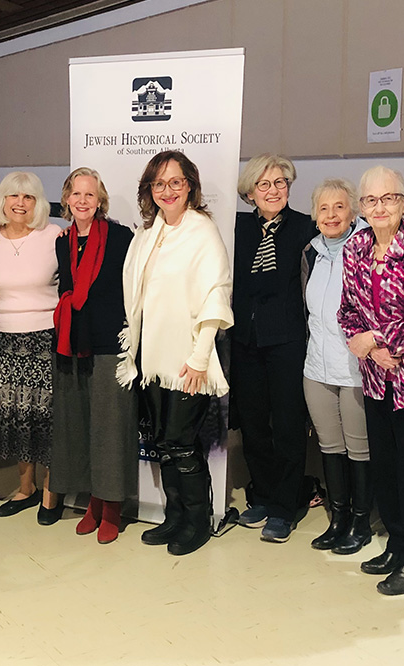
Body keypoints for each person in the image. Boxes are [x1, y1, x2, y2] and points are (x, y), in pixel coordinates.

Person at [337, 165, 404, 596]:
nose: (379, 207)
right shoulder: (357, 246)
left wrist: (380, 341)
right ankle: (397, 545)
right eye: (370, 200)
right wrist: (360, 342)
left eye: (388, 199)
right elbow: (347, 309)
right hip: (375, 377)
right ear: (361, 207)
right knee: (384, 465)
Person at [118, 150, 233, 556]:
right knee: (166, 442)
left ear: (190, 186)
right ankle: (174, 516)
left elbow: (216, 296)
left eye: (176, 182)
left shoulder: (202, 231)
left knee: (183, 443)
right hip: (152, 360)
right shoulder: (148, 234)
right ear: (150, 189)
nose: (168, 190)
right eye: (159, 183)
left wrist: (200, 357)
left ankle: (197, 522)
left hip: (188, 360)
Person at [49, 167, 136, 544]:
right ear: (67, 199)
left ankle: (112, 506)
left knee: (110, 428)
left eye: (90, 194)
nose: (82, 201)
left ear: (99, 201)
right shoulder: (62, 241)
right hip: (73, 343)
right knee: (81, 425)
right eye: (76, 194)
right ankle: (93, 501)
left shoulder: (120, 237)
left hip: (110, 342)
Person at [231, 154, 315, 543]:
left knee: (286, 425)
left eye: (280, 183)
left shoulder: (305, 227)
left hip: (288, 340)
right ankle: (262, 495)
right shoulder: (236, 229)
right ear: (250, 192)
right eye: (264, 185)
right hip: (246, 340)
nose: (273, 191)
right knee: (253, 424)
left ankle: (285, 507)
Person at [0, 172, 63, 524]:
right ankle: (25, 488)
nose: (20, 203)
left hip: (47, 337)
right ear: (1, 200)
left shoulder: (54, 235)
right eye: (13, 196)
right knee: (15, 417)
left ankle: (51, 491)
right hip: (5, 339)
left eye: (28, 197)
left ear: (38, 202)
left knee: (46, 418)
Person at [302, 178, 373, 555]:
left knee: (358, 449)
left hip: (356, 369)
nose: (331, 215)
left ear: (353, 211)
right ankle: (338, 519)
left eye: (339, 207)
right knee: (330, 446)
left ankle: (361, 523)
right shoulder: (311, 253)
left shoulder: (368, 249)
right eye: (324, 208)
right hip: (317, 368)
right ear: (315, 216)